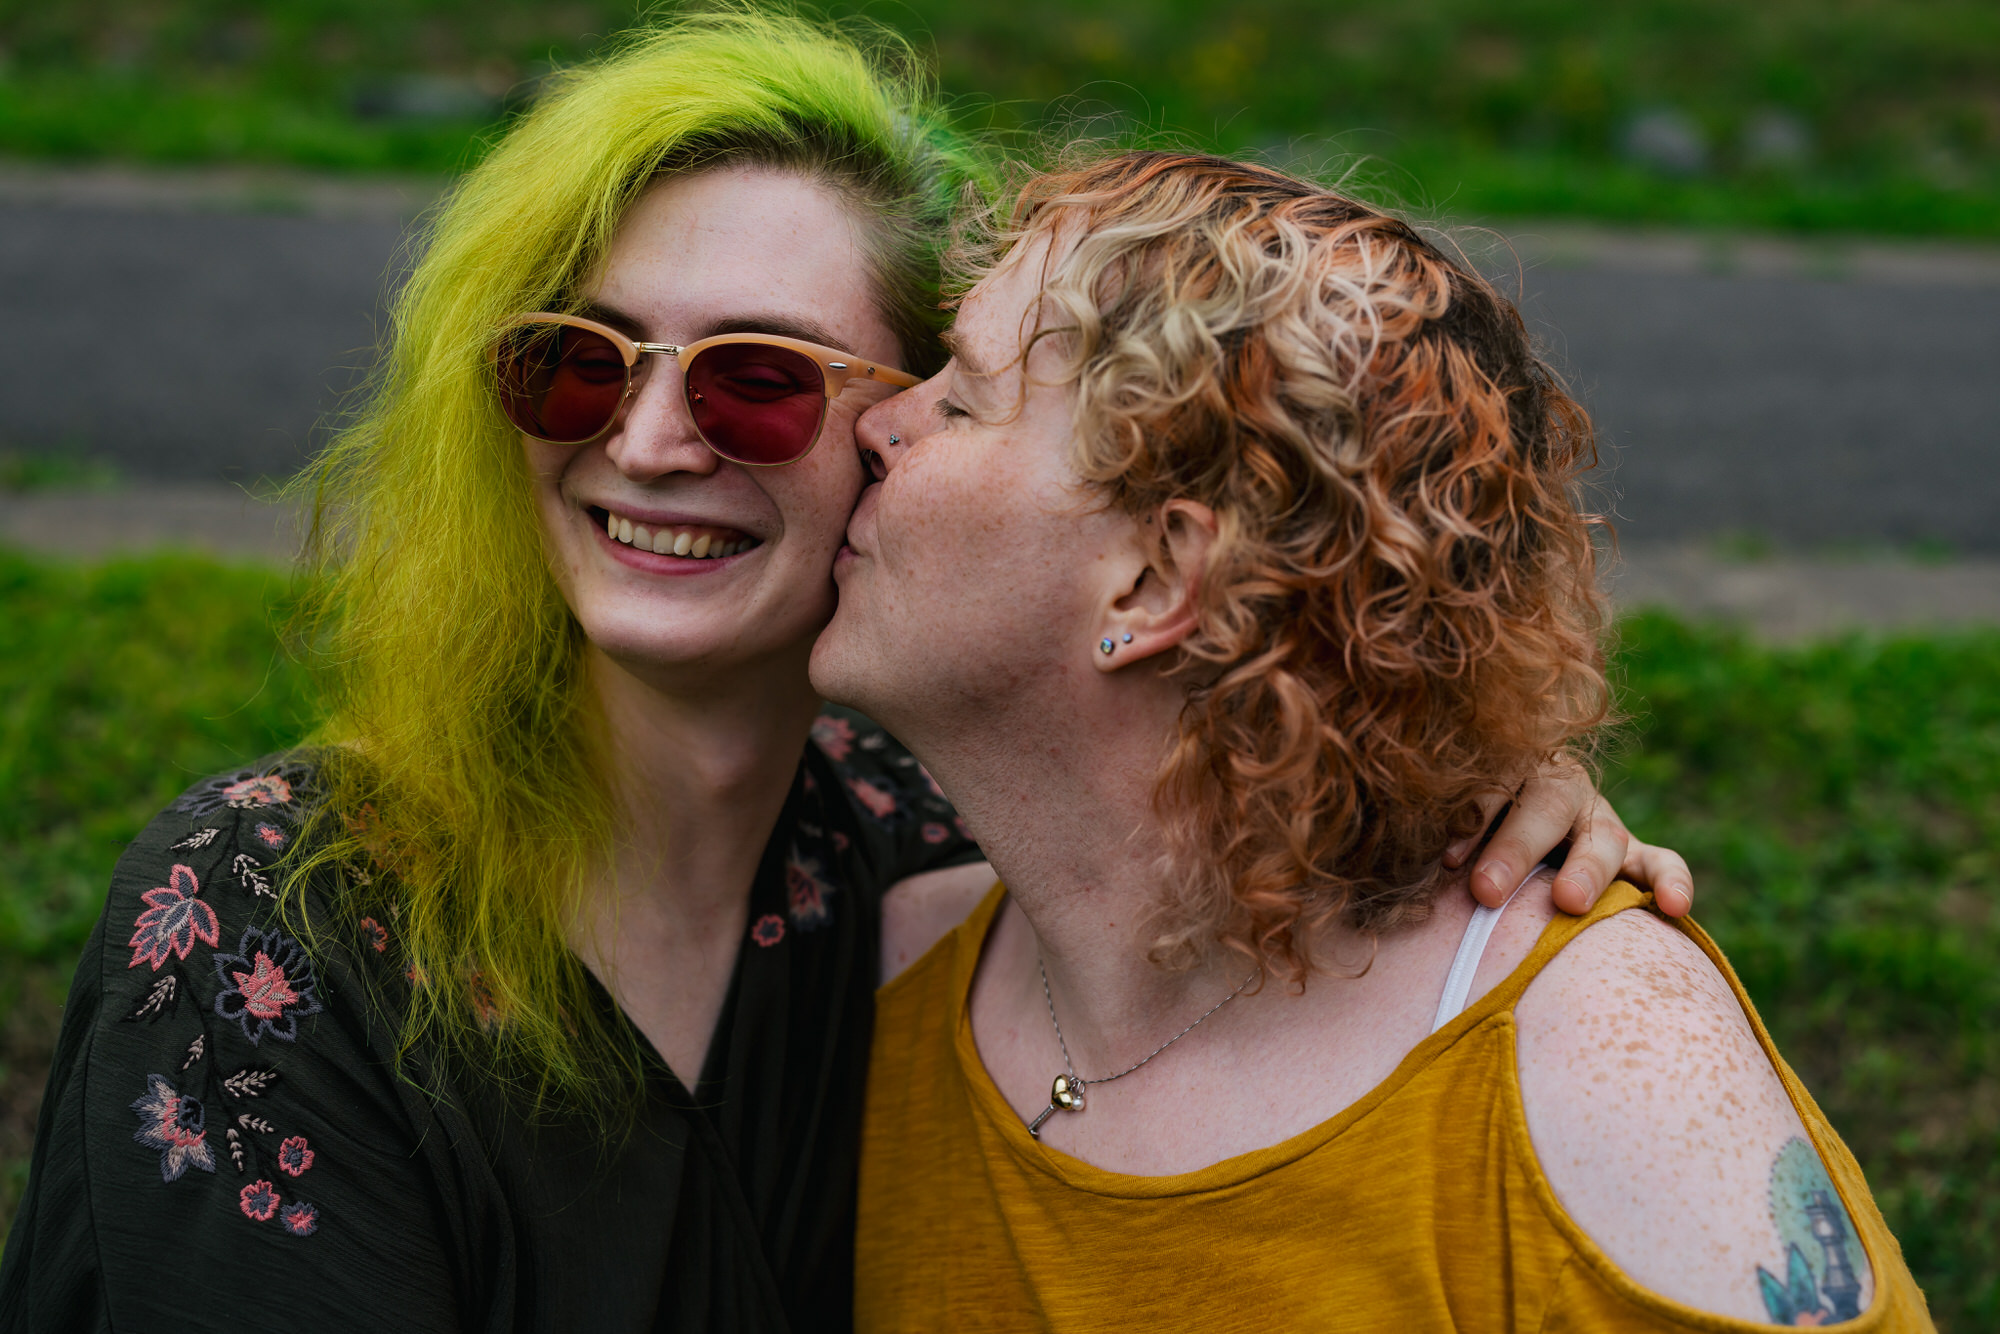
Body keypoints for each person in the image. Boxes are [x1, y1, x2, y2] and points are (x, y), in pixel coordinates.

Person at [0, 22, 1691, 1334]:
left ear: (903, 434)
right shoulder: (265, 930)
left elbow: (1237, 832)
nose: (646, 441)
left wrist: (1477, 795)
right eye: (571, 361)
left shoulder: (929, 860)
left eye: (755, 382)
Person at [824, 151, 1934, 1330]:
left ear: (1151, 583)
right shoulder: (873, 976)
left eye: (957, 399)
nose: (874, 424)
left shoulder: (1605, 1082)